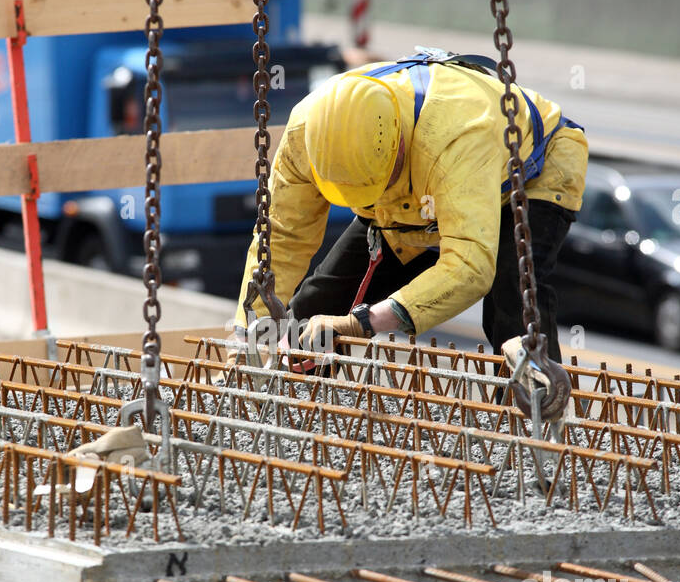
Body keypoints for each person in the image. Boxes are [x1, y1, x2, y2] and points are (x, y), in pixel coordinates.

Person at [231, 49, 588, 363]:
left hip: (529, 171)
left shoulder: (455, 137)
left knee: (511, 294)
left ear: (399, 148)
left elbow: (469, 268)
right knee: (318, 306)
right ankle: (297, 409)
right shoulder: (307, 135)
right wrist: (248, 336)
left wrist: (363, 322)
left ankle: (534, 414)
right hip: (418, 192)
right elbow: (282, 238)